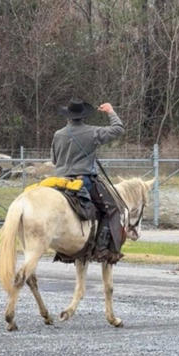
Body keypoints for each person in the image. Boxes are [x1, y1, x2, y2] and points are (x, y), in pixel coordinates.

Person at [51, 98, 125, 262]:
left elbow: (55, 160)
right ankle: (102, 249)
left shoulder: (58, 134)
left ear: (67, 116)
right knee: (112, 209)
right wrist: (110, 111)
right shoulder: (93, 132)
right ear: (83, 116)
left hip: (59, 182)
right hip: (83, 180)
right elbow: (118, 129)